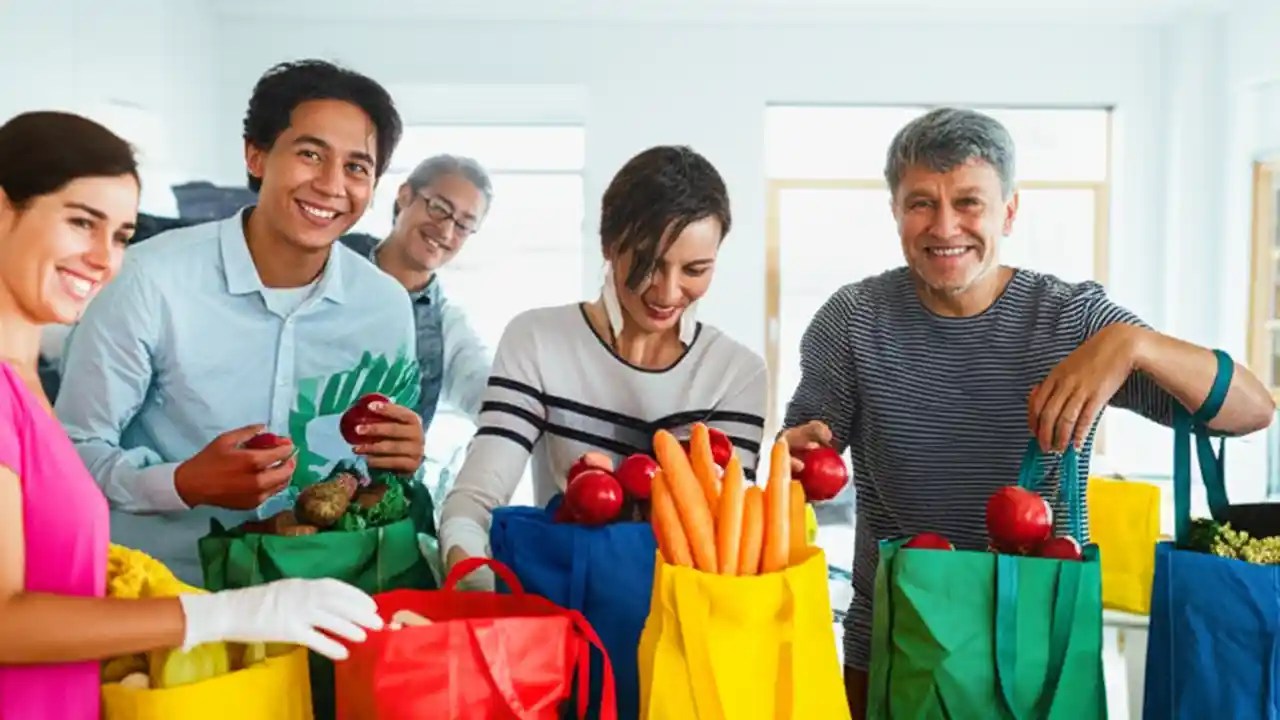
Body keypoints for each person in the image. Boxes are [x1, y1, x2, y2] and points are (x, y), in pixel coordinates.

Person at [777, 106, 1277, 718]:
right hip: (897, 645)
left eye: (969, 202)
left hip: (1039, 648)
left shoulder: (1073, 320)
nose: (945, 226)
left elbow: (1252, 411)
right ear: (894, 212)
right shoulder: (854, 319)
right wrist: (797, 453)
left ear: (1009, 211)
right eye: (920, 204)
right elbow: (800, 454)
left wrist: (1131, 344)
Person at [0, 110, 384, 719]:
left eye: (122, 235)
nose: (103, 259)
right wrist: (219, 613)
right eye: (81, 222)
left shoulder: (25, 388)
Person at [54, 59, 426, 586]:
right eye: (310, 154)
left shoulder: (385, 307)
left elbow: (369, 479)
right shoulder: (147, 281)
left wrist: (402, 462)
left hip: (319, 594)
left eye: (356, 168)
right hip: (163, 593)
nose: (330, 184)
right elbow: (69, 455)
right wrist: (182, 483)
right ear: (256, 154)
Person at [439, 144, 768, 573]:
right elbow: (476, 499)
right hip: (563, 610)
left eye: (695, 270)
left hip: (685, 623)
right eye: (648, 264)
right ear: (609, 244)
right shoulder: (538, 341)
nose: (668, 293)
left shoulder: (734, 375)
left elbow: (722, 543)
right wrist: (474, 581)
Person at [340, 154, 495, 431]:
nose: (446, 231)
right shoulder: (330, 261)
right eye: (438, 207)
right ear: (405, 195)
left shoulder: (443, 324)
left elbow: (488, 394)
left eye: (463, 225)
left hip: (382, 474)